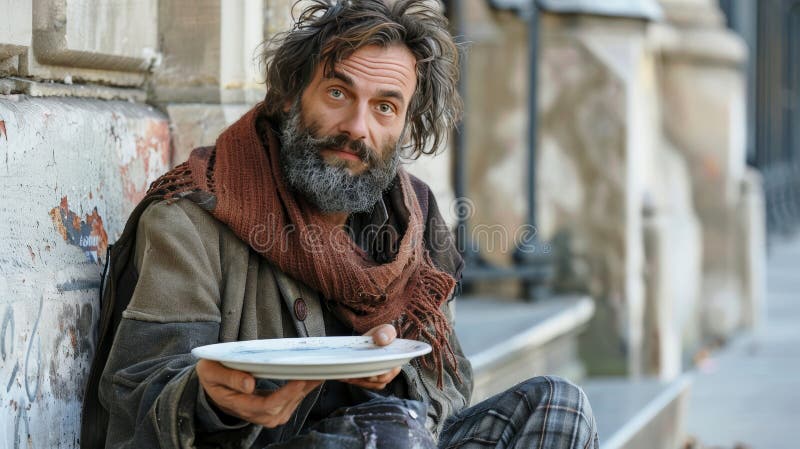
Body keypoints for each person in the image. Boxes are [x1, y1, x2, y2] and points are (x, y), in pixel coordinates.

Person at [80, 1, 599, 448]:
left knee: (558, 406)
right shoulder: (192, 216)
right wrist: (212, 400)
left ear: (404, 126)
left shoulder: (411, 221)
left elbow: (451, 386)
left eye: (385, 107)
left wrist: (395, 379)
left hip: (399, 437)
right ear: (288, 96)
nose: (357, 127)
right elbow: (135, 399)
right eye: (337, 94)